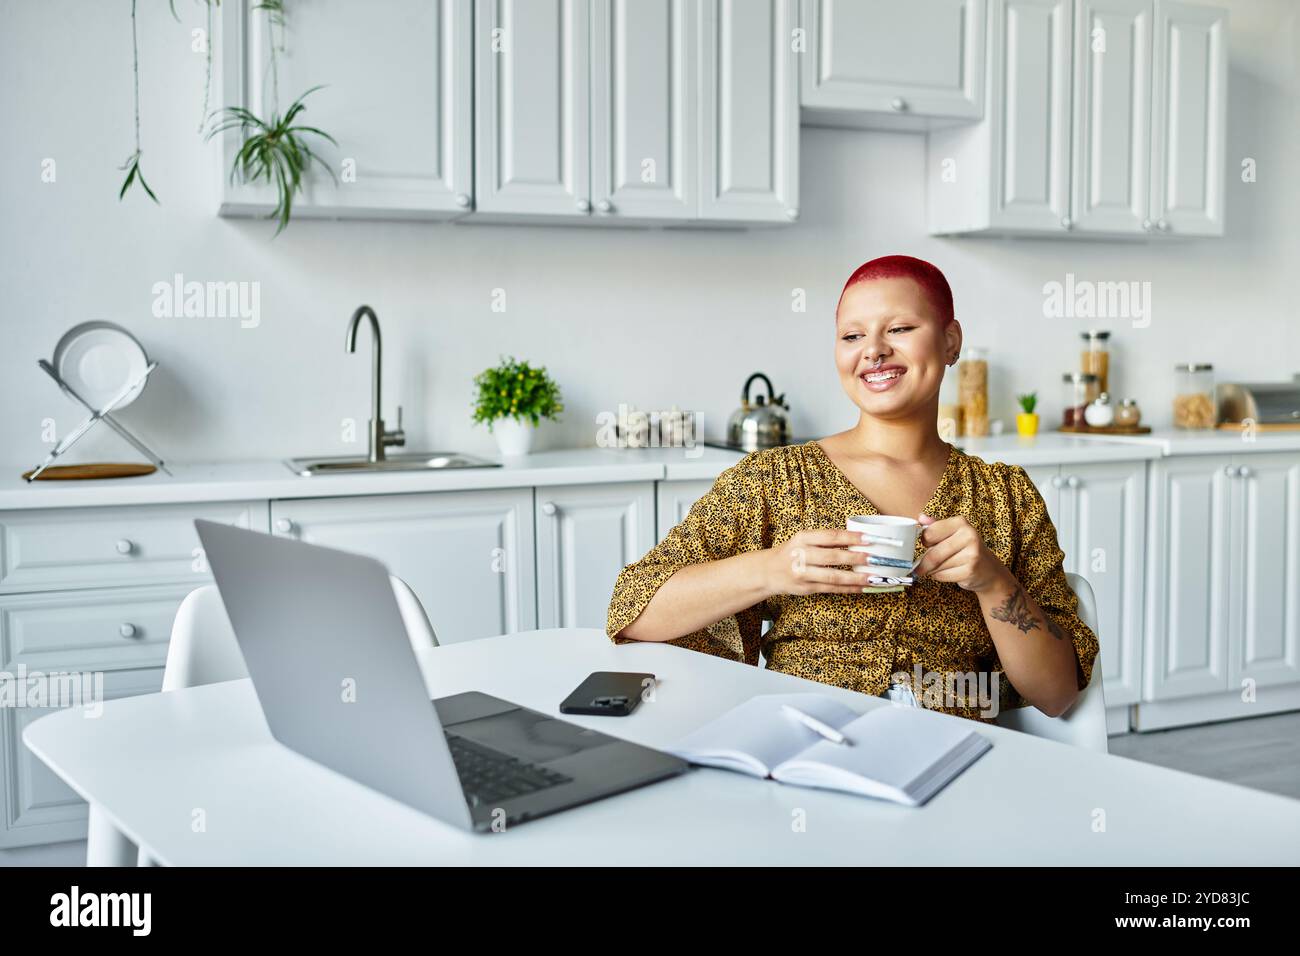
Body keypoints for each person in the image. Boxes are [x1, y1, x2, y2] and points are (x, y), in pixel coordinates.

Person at [605, 255, 1098, 723]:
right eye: (852, 335)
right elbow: (634, 609)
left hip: (945, 754)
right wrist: (772, 569)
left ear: (951, 342)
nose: (874, 349)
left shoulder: (1004, 495)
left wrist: (993, 581)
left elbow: (1056, 694)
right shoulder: (774, 480)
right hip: (801, 746)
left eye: (900, 329)